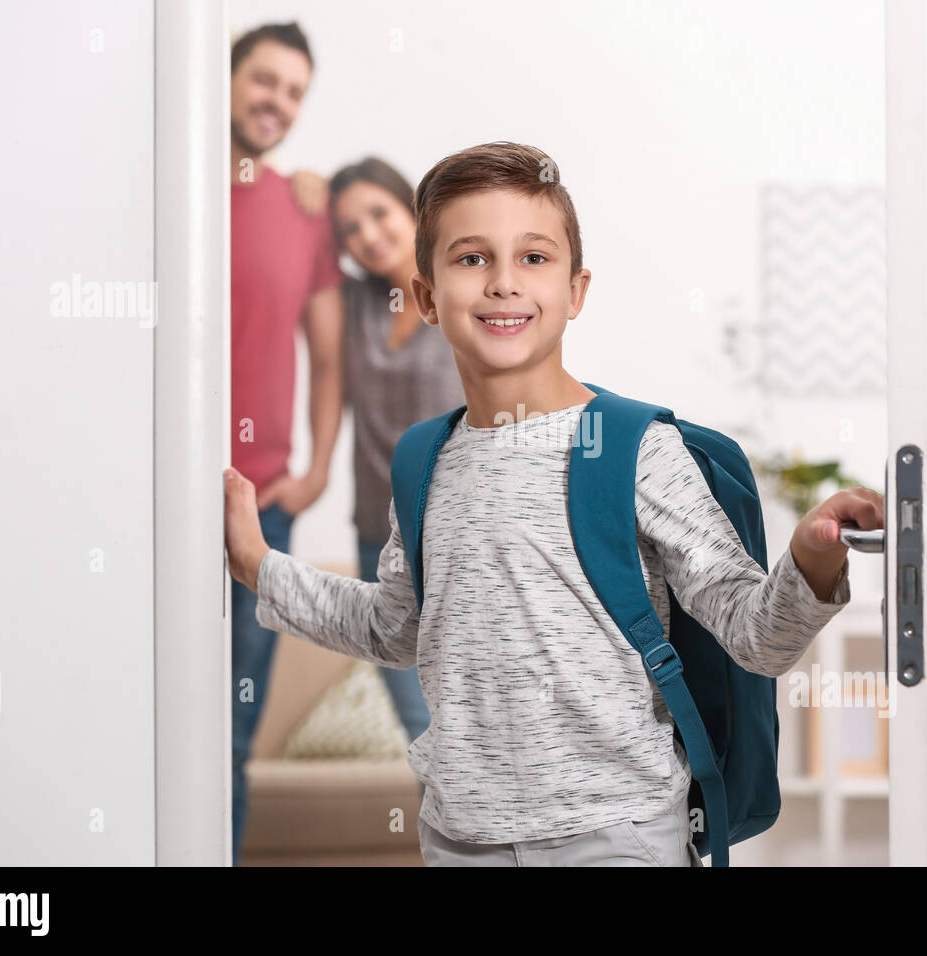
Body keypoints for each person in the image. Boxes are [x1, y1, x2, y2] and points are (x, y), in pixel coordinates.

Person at [223, 141, 885, 866]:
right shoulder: (420, 460)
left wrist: (812, 560)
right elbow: (396, 628)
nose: (504, 283)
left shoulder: (635, 448)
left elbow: (757, 637)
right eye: (472, 258)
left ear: (575, 289)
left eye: (533, 258)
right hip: (458, 840)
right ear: (427, 297)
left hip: (617, 837)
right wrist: (259, 565)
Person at [285, 158, 466, 754]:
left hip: (462, 537)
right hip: (379, 537)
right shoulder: (355, 303)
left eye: (378, 214)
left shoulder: (462, 290)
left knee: (476, 726)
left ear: (412, 209)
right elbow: (329, 382)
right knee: (421, 729)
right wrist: (301, 192)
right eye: (349, 229)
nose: (367, 236)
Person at [228, 21, 346, 865]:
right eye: (265, 80)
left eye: (294, 90)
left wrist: (315, 473)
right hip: (152, 498)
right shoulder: (170, 183)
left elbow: (331, 356)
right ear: (227, 79)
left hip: (265, 508)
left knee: (232, 730)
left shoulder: (306, 211)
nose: (278, 101)